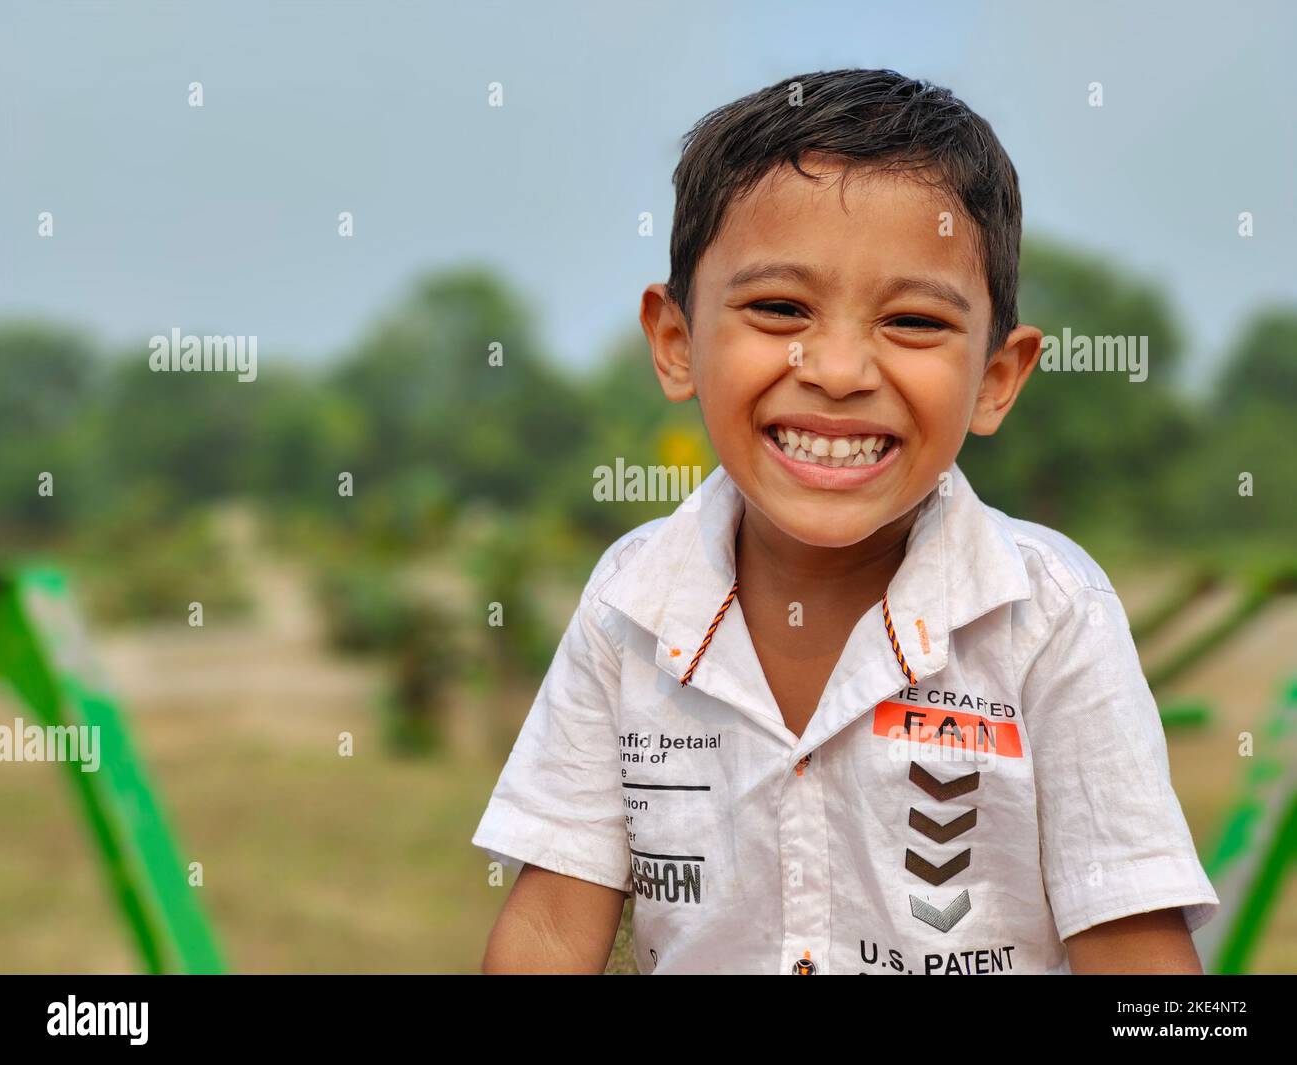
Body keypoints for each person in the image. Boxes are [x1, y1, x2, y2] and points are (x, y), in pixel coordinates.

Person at [471, 68, 1219, 974]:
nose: (835, 368)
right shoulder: (630, 605)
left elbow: (1137, 953)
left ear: (996, 377)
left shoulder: (1049, 616)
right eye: (780, 308)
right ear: (675, 342)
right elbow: (551, 929)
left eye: (911, 320)